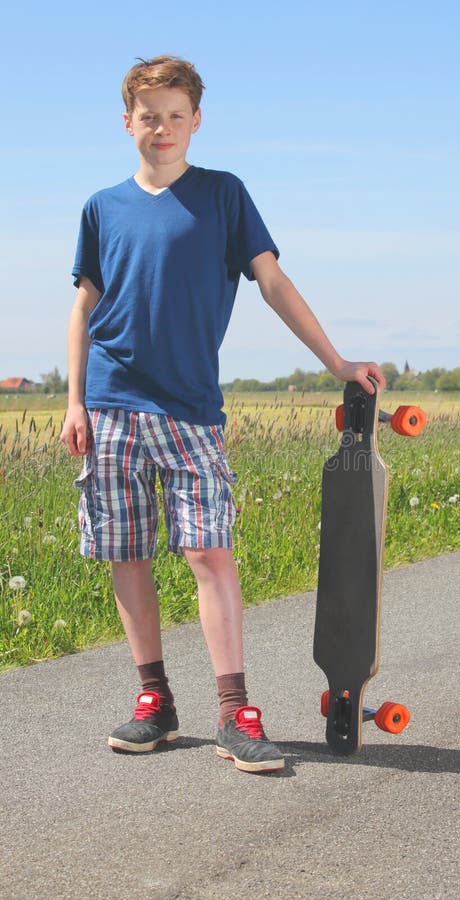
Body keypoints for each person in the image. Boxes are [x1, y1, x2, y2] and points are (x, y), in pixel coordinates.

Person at [60, 55, 386, 774]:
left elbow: (271, 281)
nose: (163, 128)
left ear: (196, 121)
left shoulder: (223, 195)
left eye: (177, 116)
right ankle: (156, 703)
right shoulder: (101, 207)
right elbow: (85, 305)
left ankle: (236, 711)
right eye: (150, 117)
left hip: (189, 410)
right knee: (126, 553)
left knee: (209, 552)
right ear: (128, 124)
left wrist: (335, 363)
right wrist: (75, 399)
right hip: (111, 405)